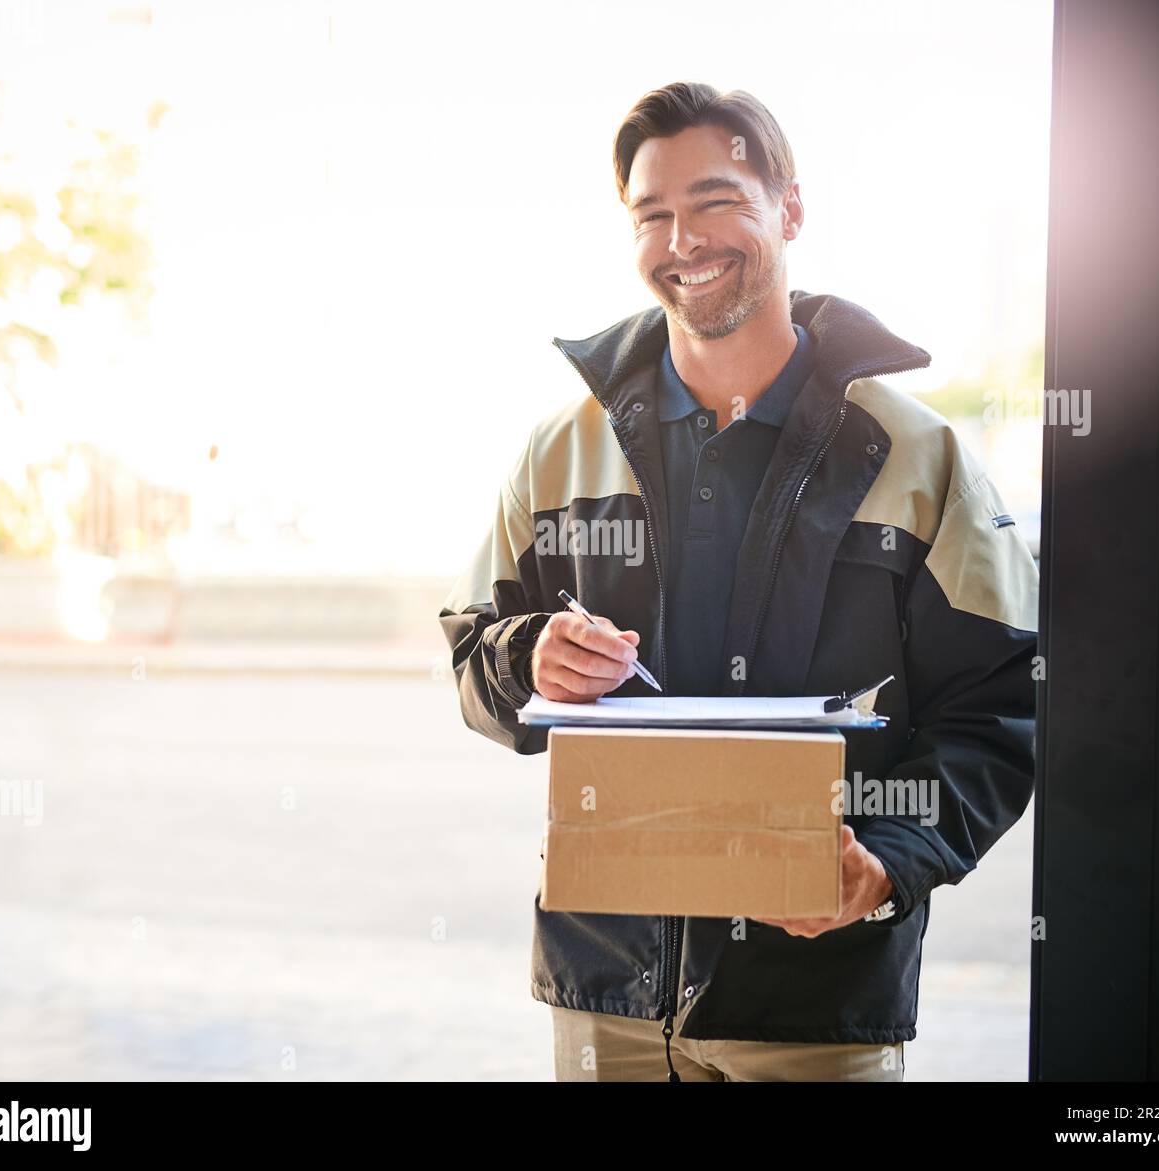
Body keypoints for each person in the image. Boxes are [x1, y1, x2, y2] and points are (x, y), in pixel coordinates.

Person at [439, 81, 1039, 1082]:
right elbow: (470, 652)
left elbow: (1002, 712)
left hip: (815, 1001)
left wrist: (889, 858)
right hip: (607, 1000)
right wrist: (525, 657)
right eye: (653, 214)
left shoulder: (916, 456)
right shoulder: (557, 452)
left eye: (715, 200)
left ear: (788, 209)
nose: (684, 239)